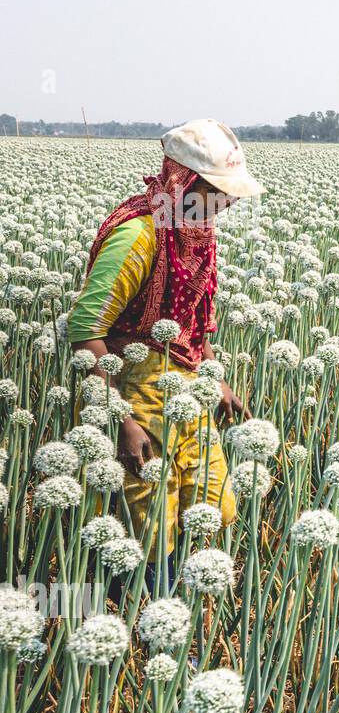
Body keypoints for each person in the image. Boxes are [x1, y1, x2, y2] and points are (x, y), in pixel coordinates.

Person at [67, 119, 261, 564]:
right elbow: (86, 330)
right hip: (132, 393)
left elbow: (191, 324)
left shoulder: (196, 232)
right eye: (218, 191)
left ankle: (195, 610)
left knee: (215, 502)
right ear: (185, 182)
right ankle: (147, 610)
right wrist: (122, 421)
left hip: (186, 392)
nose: (227, 202)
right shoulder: (137, 234)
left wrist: (217, 379)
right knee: (154, 523)